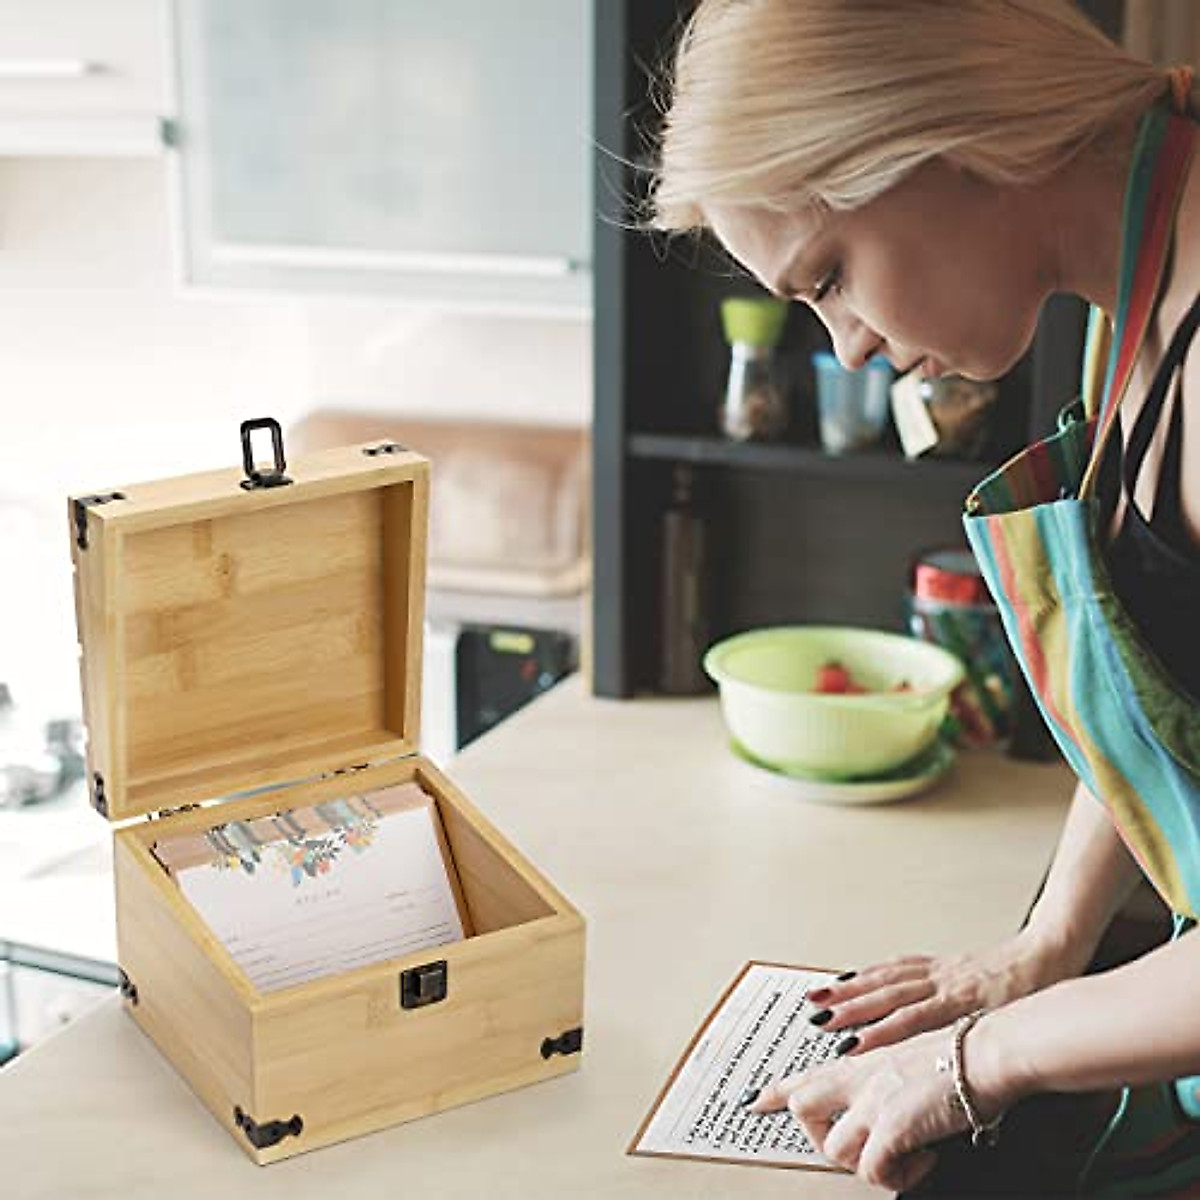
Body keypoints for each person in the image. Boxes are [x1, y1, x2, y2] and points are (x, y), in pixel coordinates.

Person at [650, 1, 1200, 1194]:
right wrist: (1044, 948)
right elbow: (1175, 689)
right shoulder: (1140, 266)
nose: (844, 347)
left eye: (832, 275)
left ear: (945, 143)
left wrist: (975, 1060)